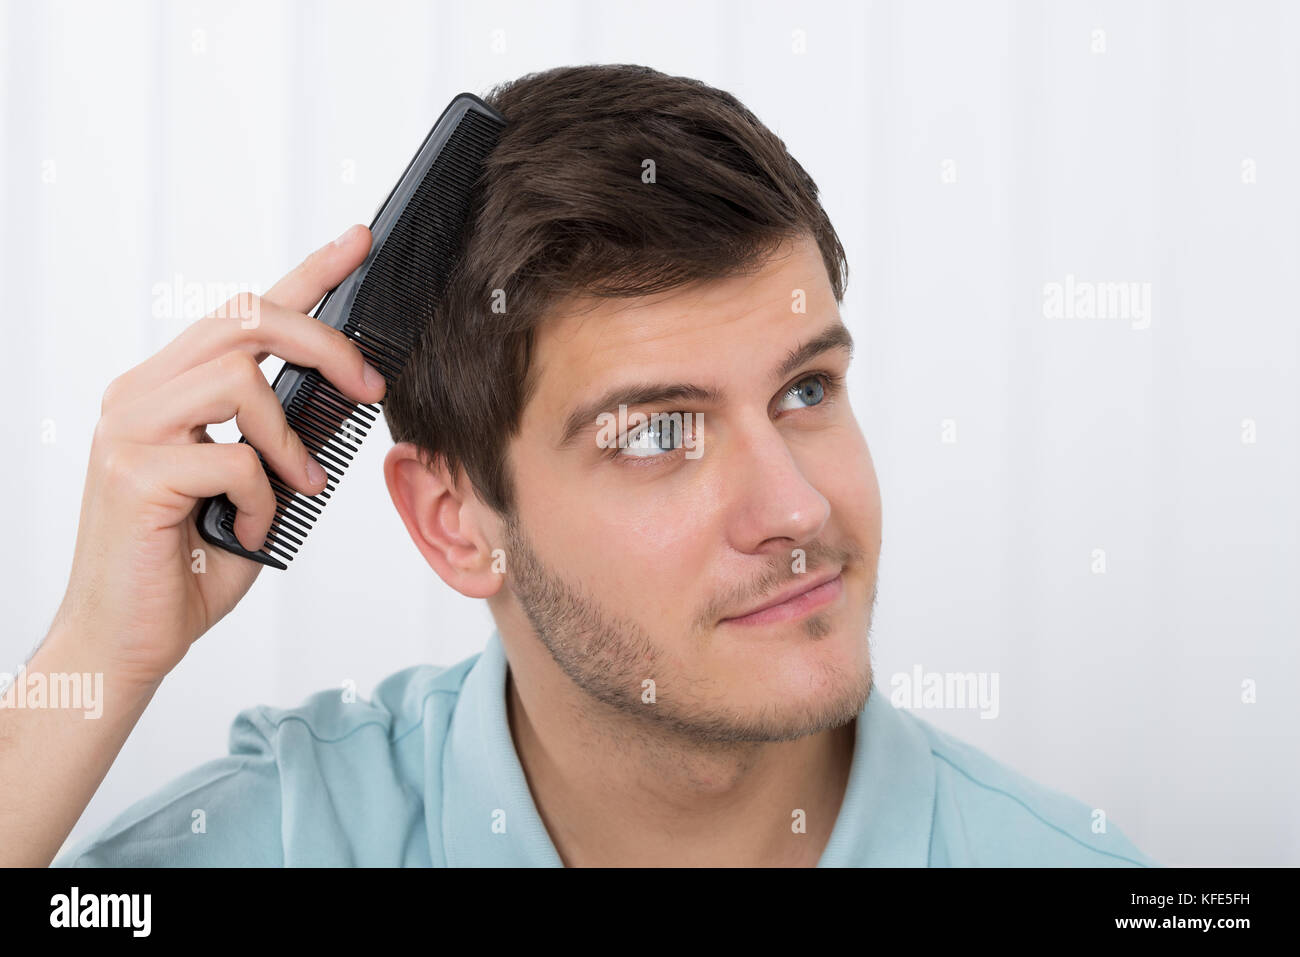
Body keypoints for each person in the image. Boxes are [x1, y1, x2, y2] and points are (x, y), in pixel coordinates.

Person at [2, 64, 1155, 868]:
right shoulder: (292, 840)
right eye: (657, 432)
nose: (797, 507)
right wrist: (98, 657)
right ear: (456, 524)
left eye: (805, 392)